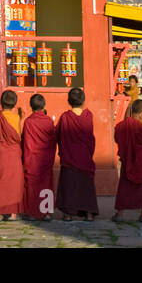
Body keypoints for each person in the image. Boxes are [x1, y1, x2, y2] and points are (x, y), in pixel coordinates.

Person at [55, 86, 98, 221]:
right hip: (84, 157)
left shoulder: (65, 117)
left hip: (69, 158)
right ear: (83, 101)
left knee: (69, 185)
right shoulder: (88, 116)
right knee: (86, 186)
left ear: (69, 101)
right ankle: (89, 214)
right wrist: (89, 153)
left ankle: (68, 214)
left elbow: (58, 135)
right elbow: (90, 137)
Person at [112, 97, 142, 223]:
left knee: (124, 187)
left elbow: (116, 139)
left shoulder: (120, 126)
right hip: (140, 162)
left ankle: (120, 214)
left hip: (127, 162)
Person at [0, 89, 24, 221]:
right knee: (14, 183)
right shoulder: (17, 117)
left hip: (0, 154)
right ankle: (13, 213)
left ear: (1, 102)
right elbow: (19, 137)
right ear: (14, 104)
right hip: (13, 154)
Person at [21, 93, 57, 220]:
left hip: (32, 158)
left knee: (31, 184)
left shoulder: (28, 122)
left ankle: (32, 212)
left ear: (31, 106)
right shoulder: (49, 122)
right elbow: (53, 141)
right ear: (44, 106)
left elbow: (25, 141)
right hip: (46, 157)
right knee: (46, 183)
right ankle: (46, 212)